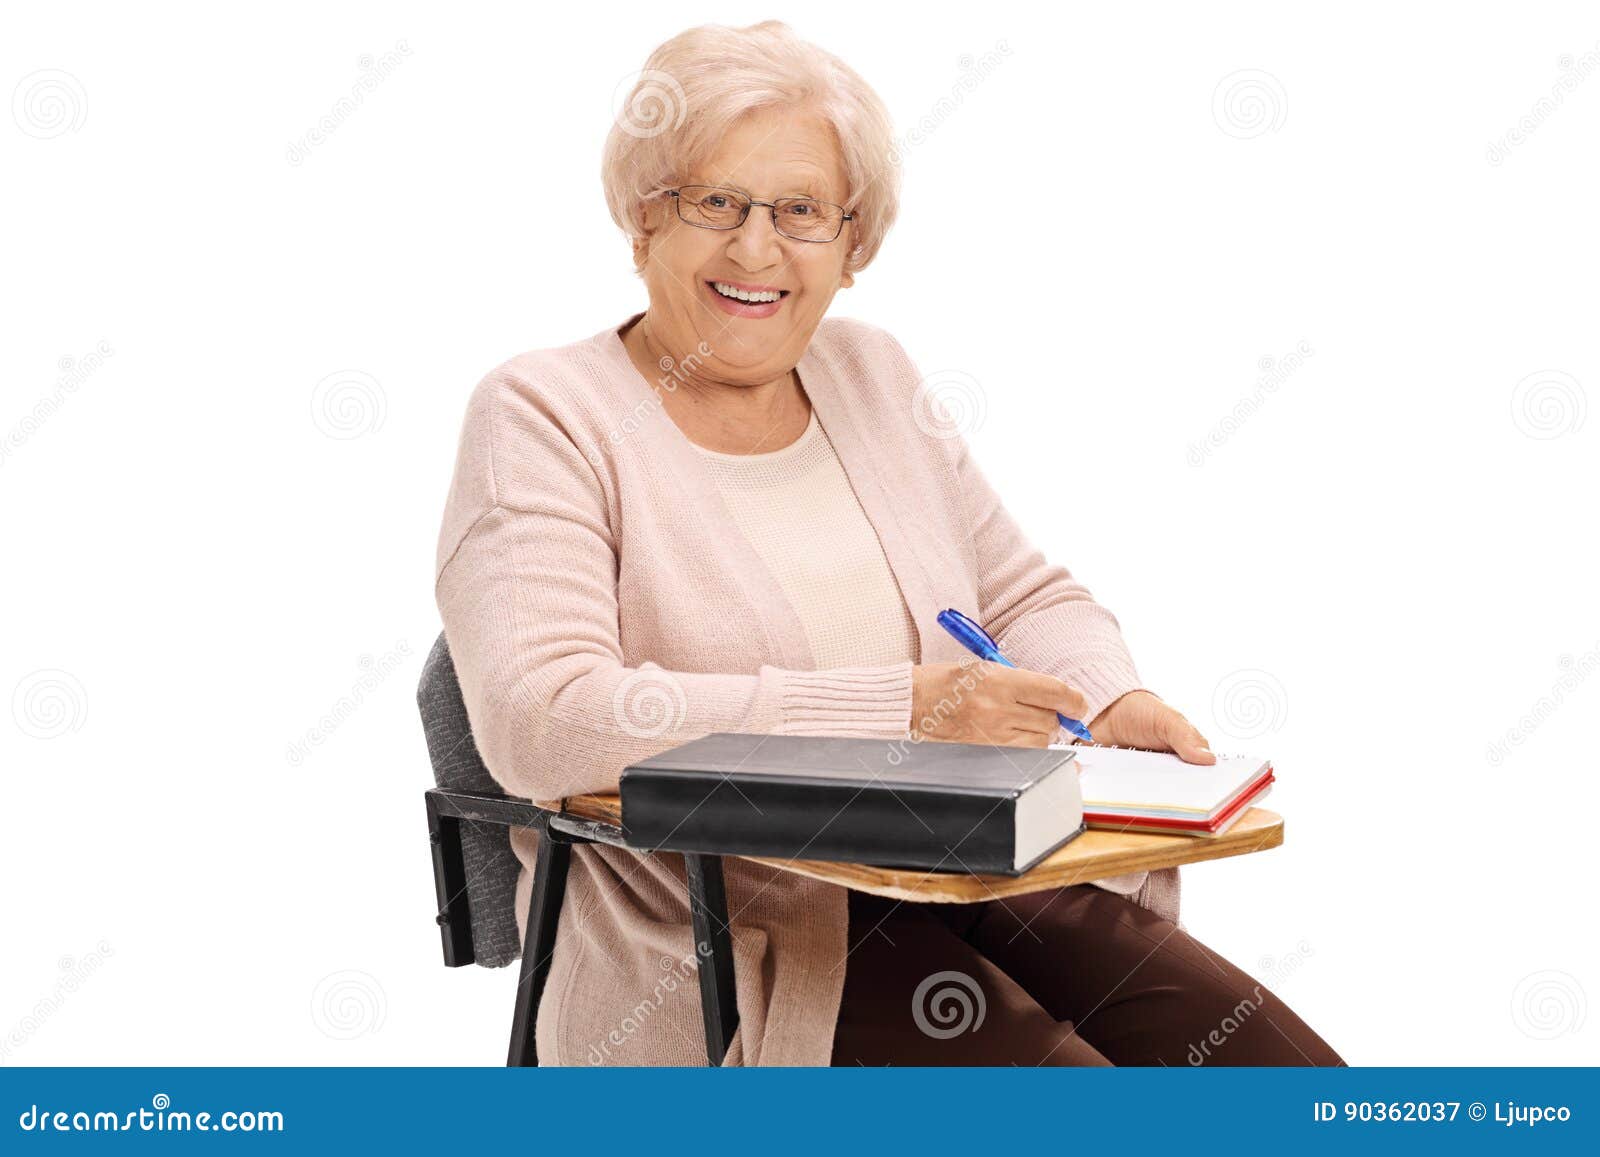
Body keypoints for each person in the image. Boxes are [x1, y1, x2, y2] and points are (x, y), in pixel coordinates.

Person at [434, 20, 1343, 1066]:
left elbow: (1024, 597)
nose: (756, 248)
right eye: (714, 202)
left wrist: (1102, 694)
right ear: (642, 223)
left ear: (851, 245)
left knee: (1283, 1077)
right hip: (746, 933)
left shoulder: (872, 376)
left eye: (801, 211)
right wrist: (906, 706)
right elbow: (540, 720)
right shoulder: (543, 414)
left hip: (979, 870)